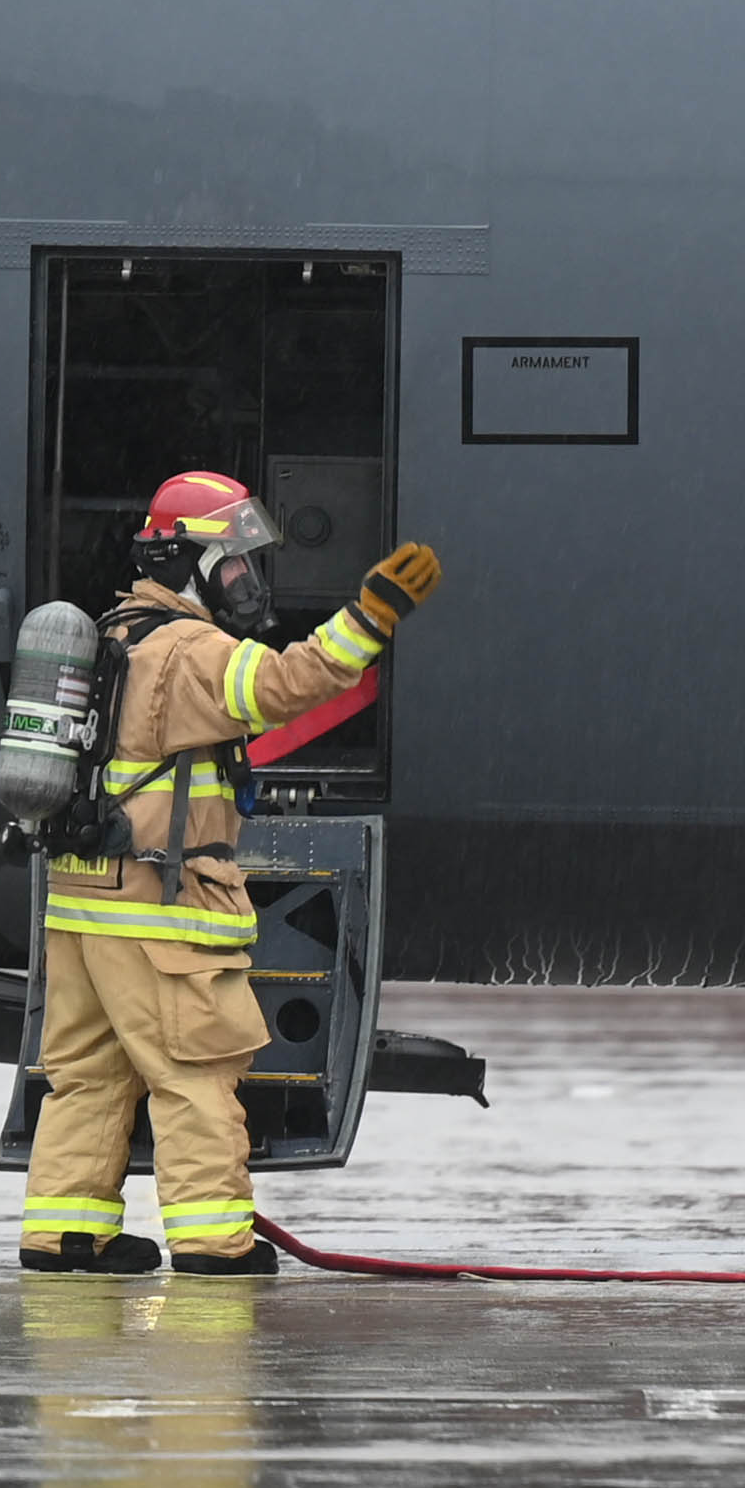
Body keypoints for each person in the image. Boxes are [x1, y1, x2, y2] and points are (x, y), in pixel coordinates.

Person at [23, 471, 440, 1276]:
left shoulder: (116, 633)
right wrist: (367, 619)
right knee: (195, 1074)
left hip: (82, 906)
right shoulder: (189, 650)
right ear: (190, 562)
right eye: (235, 563)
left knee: (89, 1074)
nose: (247, 580)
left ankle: (65, 1231)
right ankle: (214, 1243)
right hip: (157, 913)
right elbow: (287, 684)